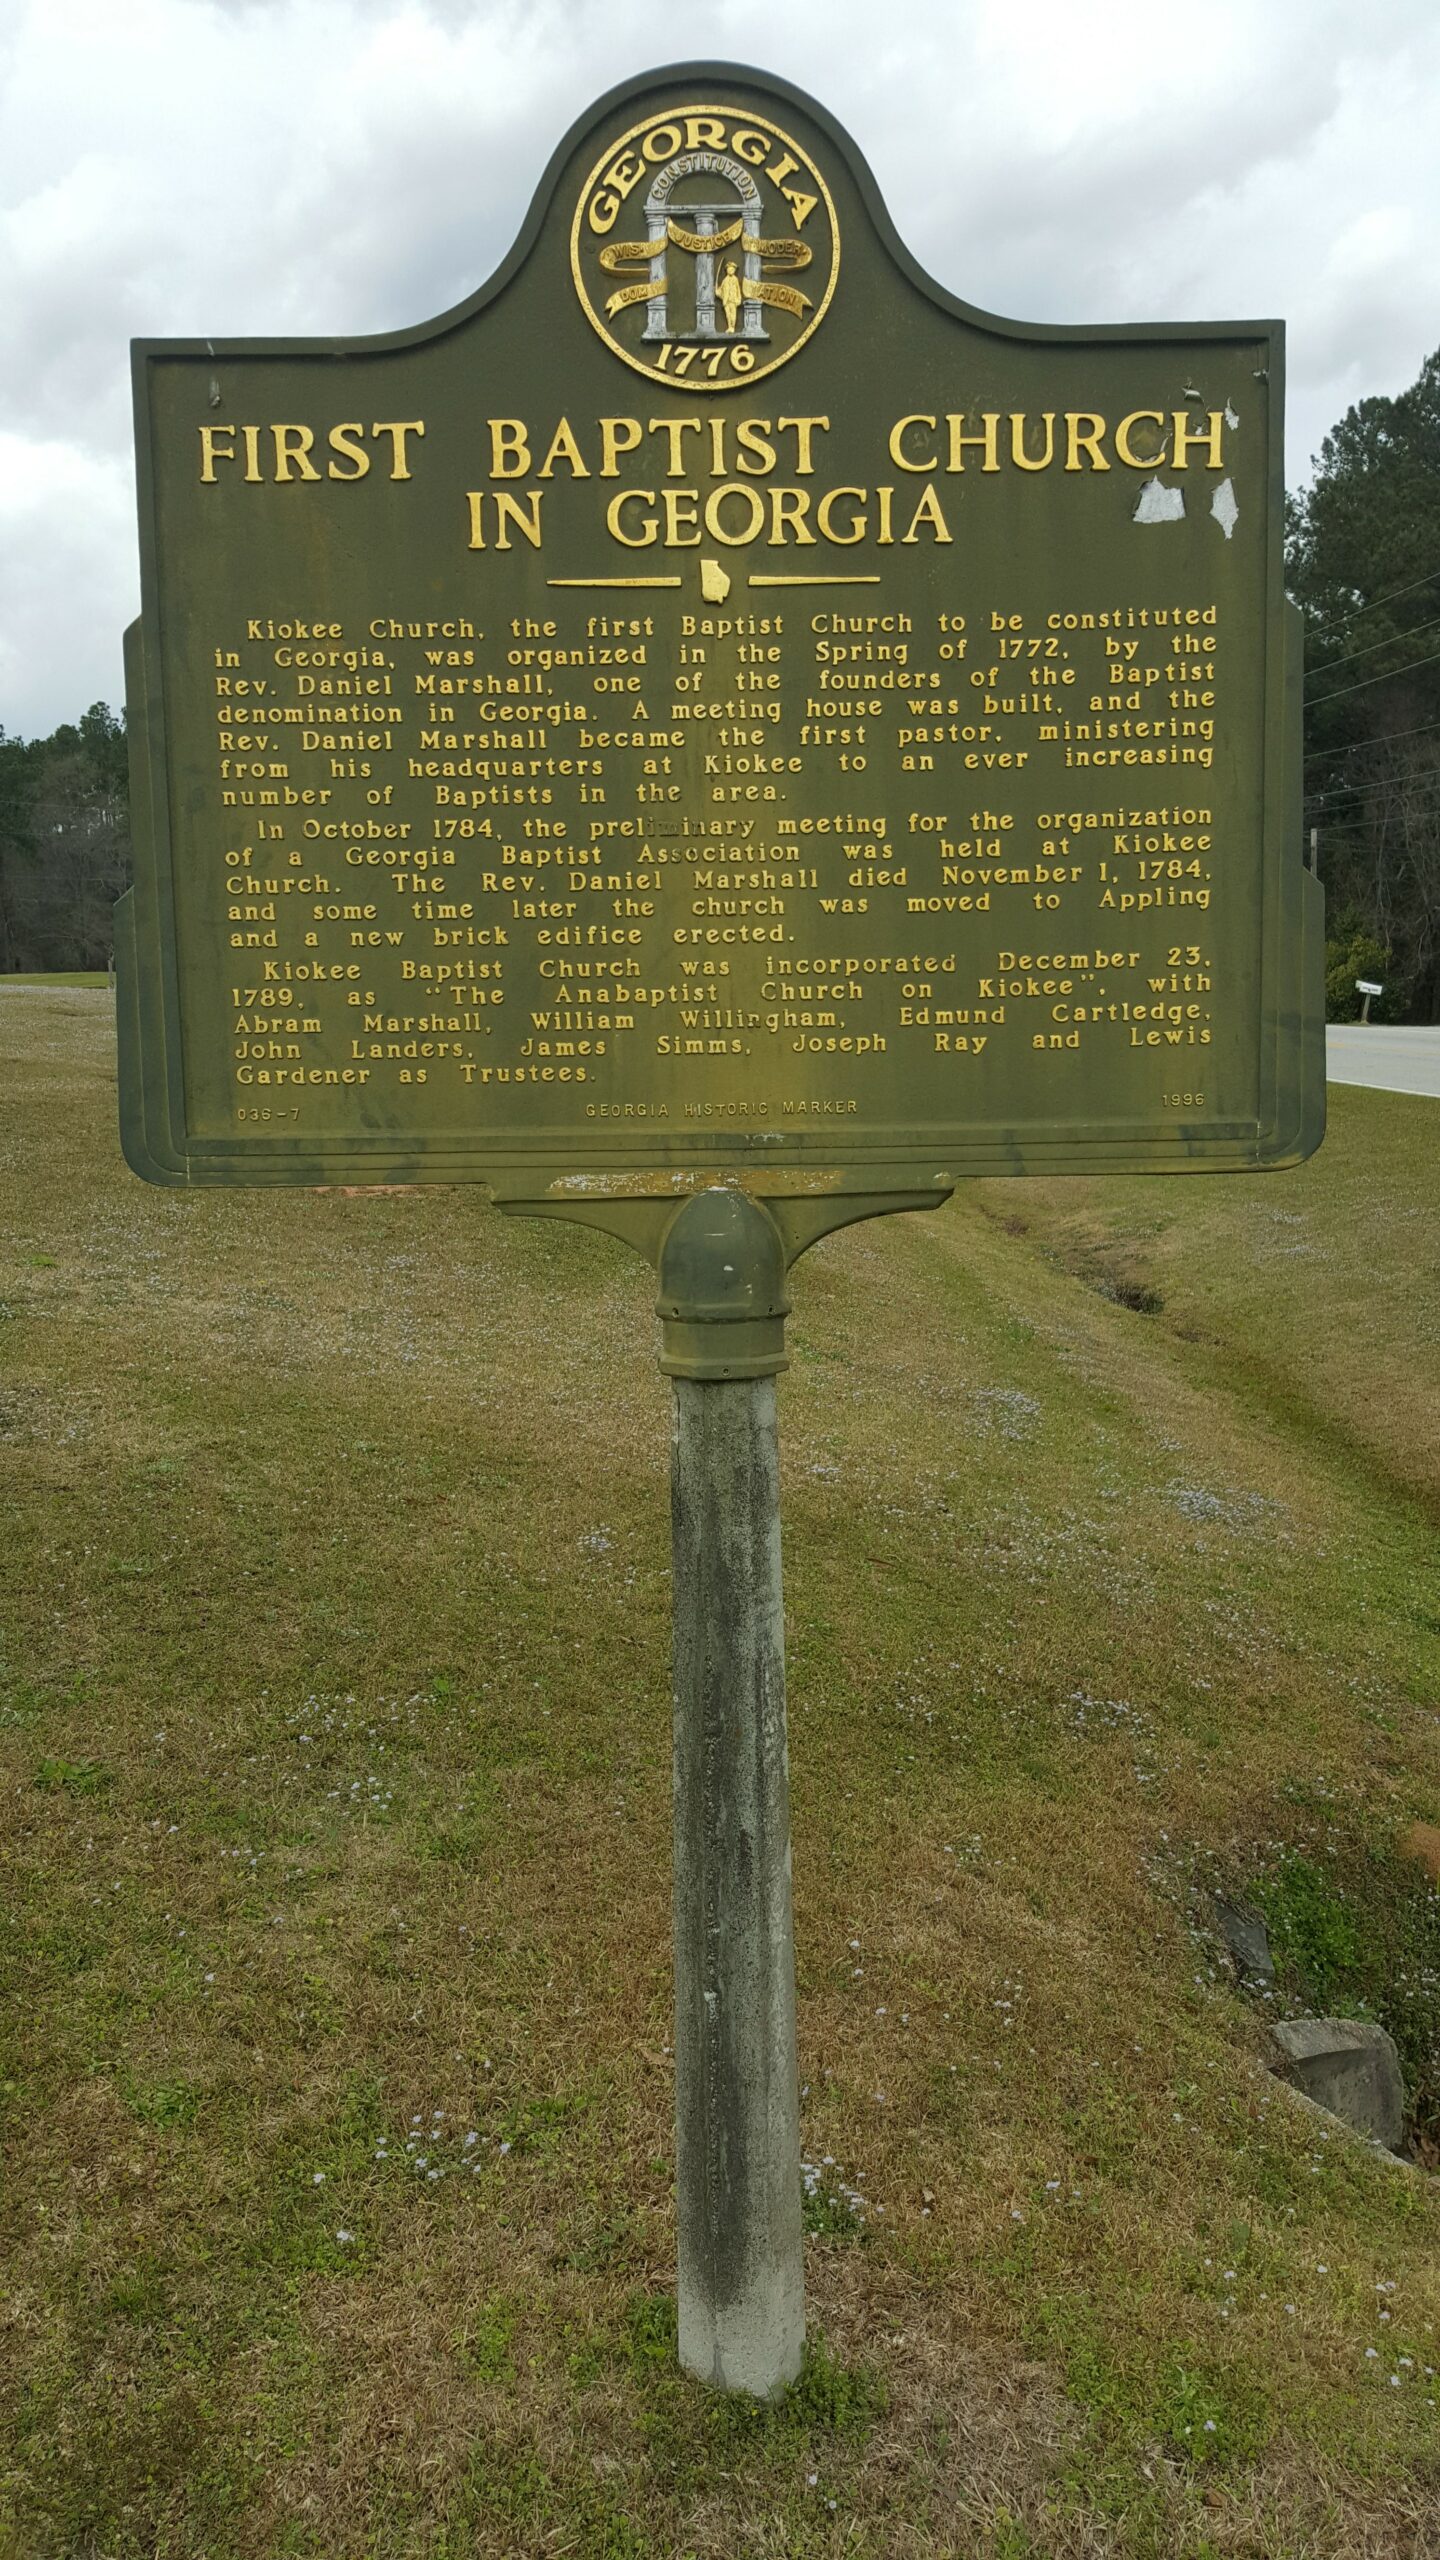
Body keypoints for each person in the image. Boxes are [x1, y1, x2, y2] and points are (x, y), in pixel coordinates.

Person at [717, 258, 744, 334]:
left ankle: (732, 327)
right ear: (727, 271)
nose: (730, 271)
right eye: (729, 270)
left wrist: (739, 299)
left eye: (732, 270)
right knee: (728, 315)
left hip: (733, 300)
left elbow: (738, 290)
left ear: (734, 271)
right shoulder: (724, 280)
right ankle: (729, 326)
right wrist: (717, 292)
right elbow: (721, 290)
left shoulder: (735, 279)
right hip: (726, 300)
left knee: (733, 314)